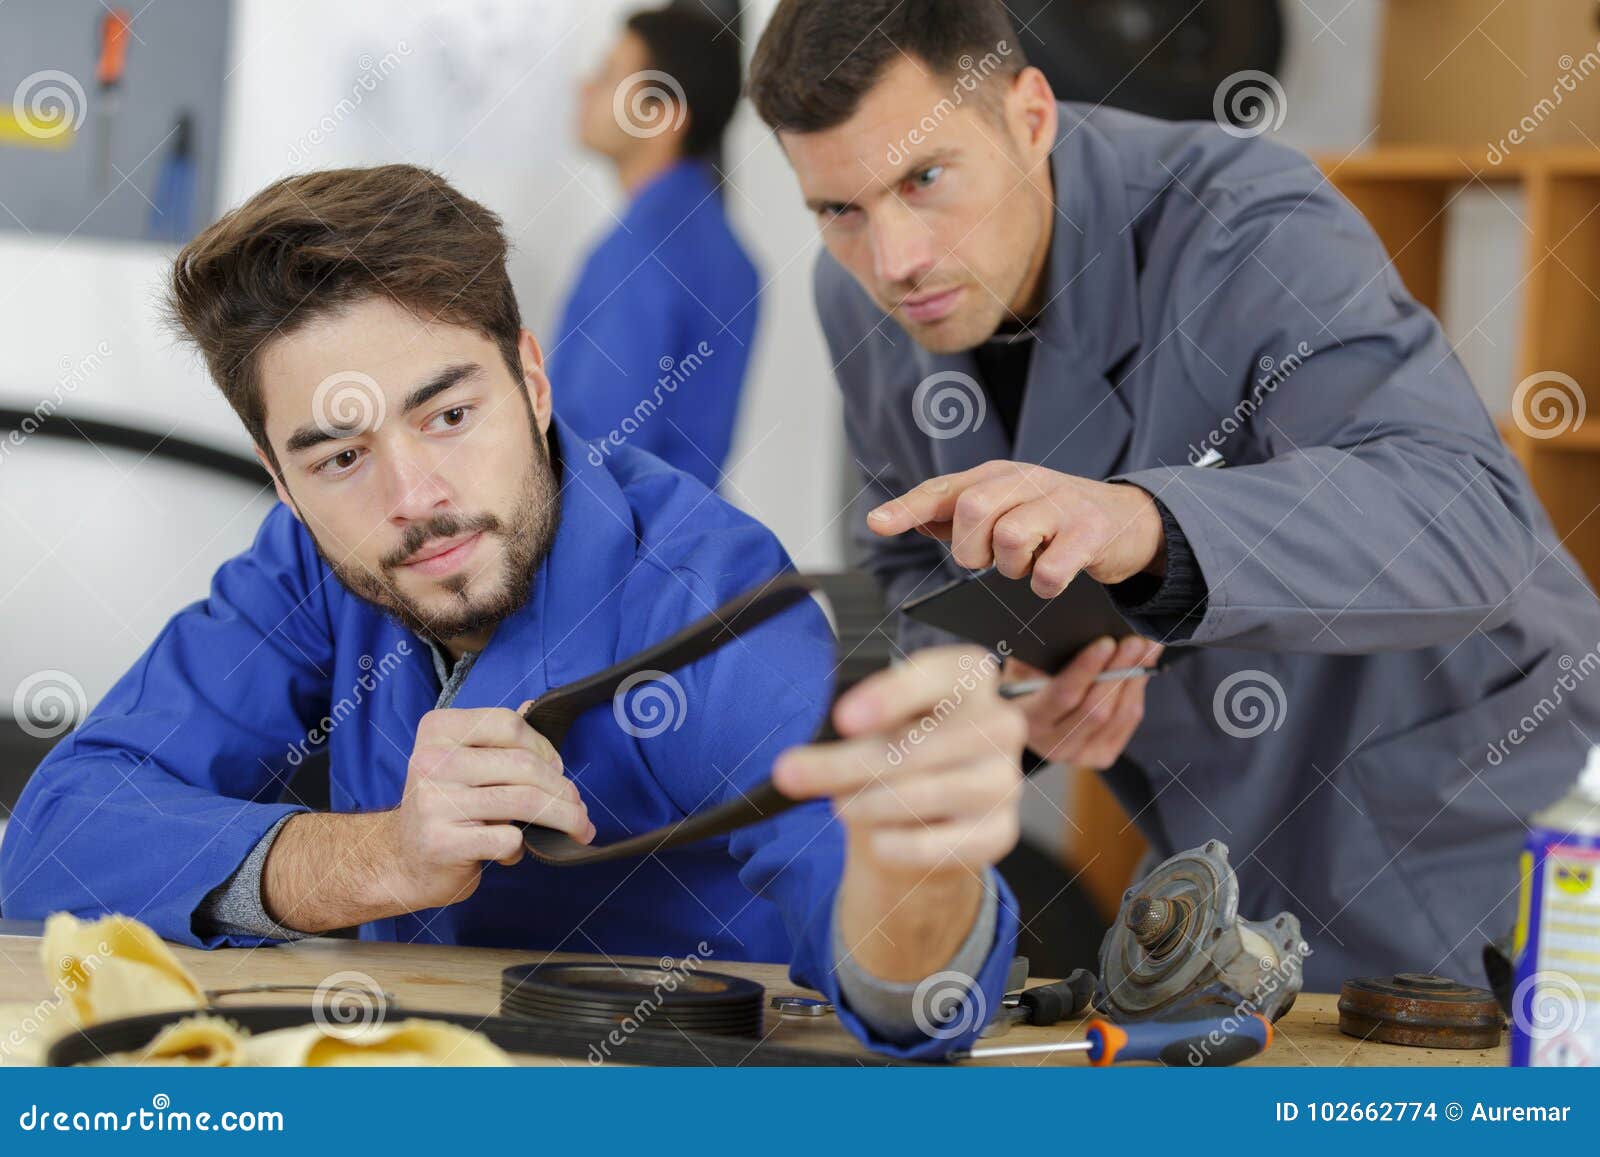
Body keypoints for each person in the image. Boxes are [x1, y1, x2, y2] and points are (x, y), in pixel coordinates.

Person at [0, 165, 1025, 1059]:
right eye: (340, 457)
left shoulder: (705, 600)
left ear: (532, 379)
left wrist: (914, 867)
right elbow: (51, 842)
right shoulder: (309, 564)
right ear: (280, 476)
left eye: (449, 414)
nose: (415, 495)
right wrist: (378, 858)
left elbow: (920, 995)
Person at [748, 0, 1600, 988]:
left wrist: (1143, 525)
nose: (893, 261)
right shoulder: (852, 292)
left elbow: (1467, 517)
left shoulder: (1246, 217)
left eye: (924, 178)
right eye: (836, 209)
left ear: (1028, 116)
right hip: (1224, 848)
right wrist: (1004, 694)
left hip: (1481, 810)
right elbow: (914, 568)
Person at [555, 4, 758, 489]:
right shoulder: (718, 245)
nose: (582, 87)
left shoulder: (642, 251)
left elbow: (594, 448)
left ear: (661, 114)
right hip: (676, 537)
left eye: (607, 76)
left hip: (622, 546)